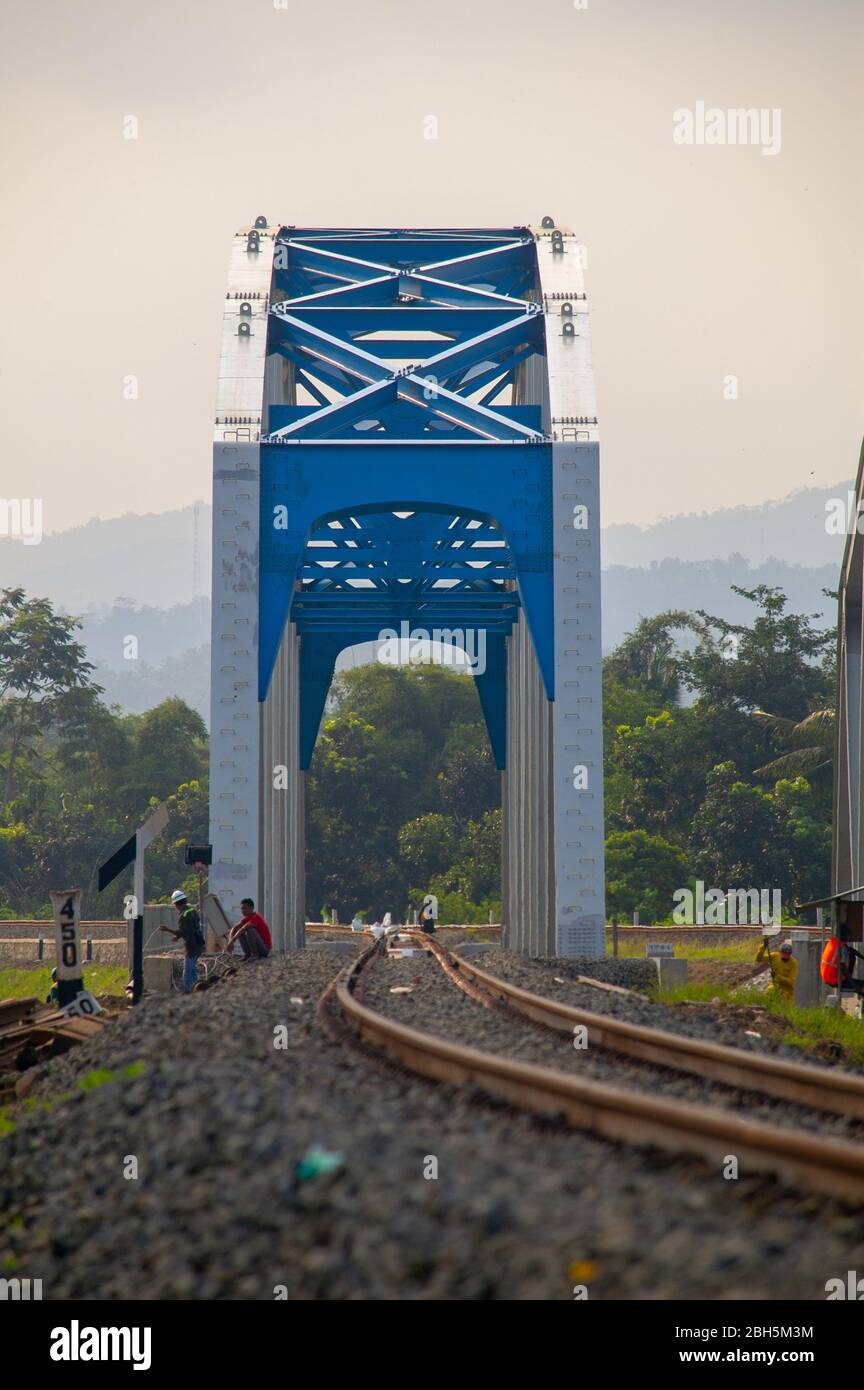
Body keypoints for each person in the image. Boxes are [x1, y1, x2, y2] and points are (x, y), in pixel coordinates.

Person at [160, 890, 205, 993]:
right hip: (199, 943)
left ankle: (189, 992)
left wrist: (167, 929)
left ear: (176, 904)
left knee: (188, 972)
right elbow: (190, 929)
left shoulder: (184, 915)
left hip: (192, 946)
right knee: (192, 969)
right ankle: (197, 990)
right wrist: (178, 936)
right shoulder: (192, 910)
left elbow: (183, 931)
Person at [820, 927, 864, 997]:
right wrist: (854, 985)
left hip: (827, 976)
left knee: (851, 954)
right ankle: (849, 982)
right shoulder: (841, 948)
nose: (849, 938)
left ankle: (849, 981)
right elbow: (842, 968)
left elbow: (851, 950)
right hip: (834, 979)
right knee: (862, 984)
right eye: (848, 936)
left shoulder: (834, 941)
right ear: (844, 936)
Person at [756, 934, 798, 1000]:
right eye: (783, 953)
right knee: (768, 993)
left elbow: (791, 981)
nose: (785, 955)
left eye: (787, 954)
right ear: (780, 952)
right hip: (774, 986)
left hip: (786, 991)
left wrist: (778, 977)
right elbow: (759, 959)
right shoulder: (775, 956)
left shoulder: (793, 963)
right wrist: (763, 947)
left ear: (790, 954)